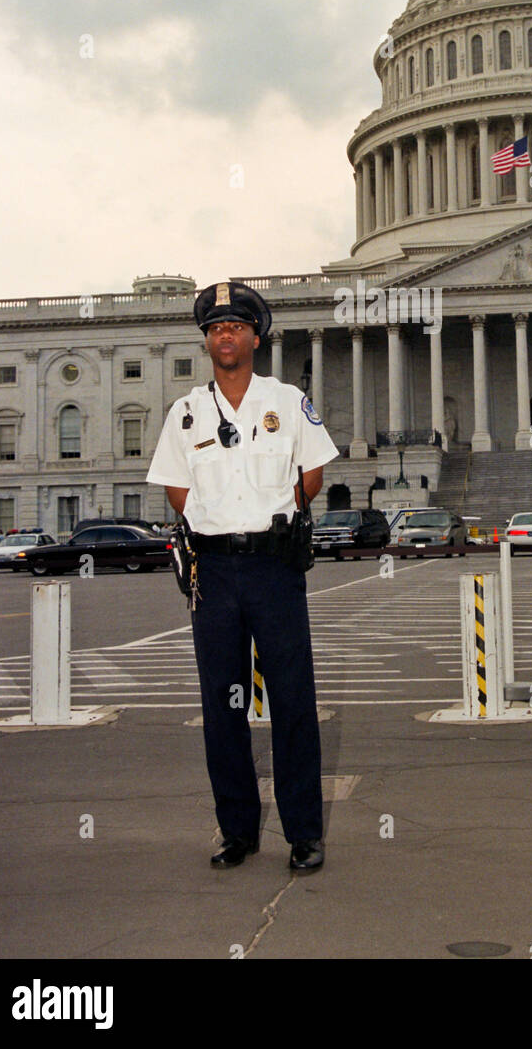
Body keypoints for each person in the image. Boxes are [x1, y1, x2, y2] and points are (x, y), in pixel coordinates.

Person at [146, 279, 338, 872]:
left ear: (256, 336)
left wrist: (265, 515)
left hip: (273, 567)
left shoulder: (286, 401)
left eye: (235, 326)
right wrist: (220, 520)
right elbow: (178, 492)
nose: (225, 336)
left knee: (292, 701)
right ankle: (237, 830)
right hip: (214, 571)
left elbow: (313, 477)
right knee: (222, 704)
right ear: (208, 342)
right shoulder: (185, 414)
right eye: (215, 329)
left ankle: (303, 833)